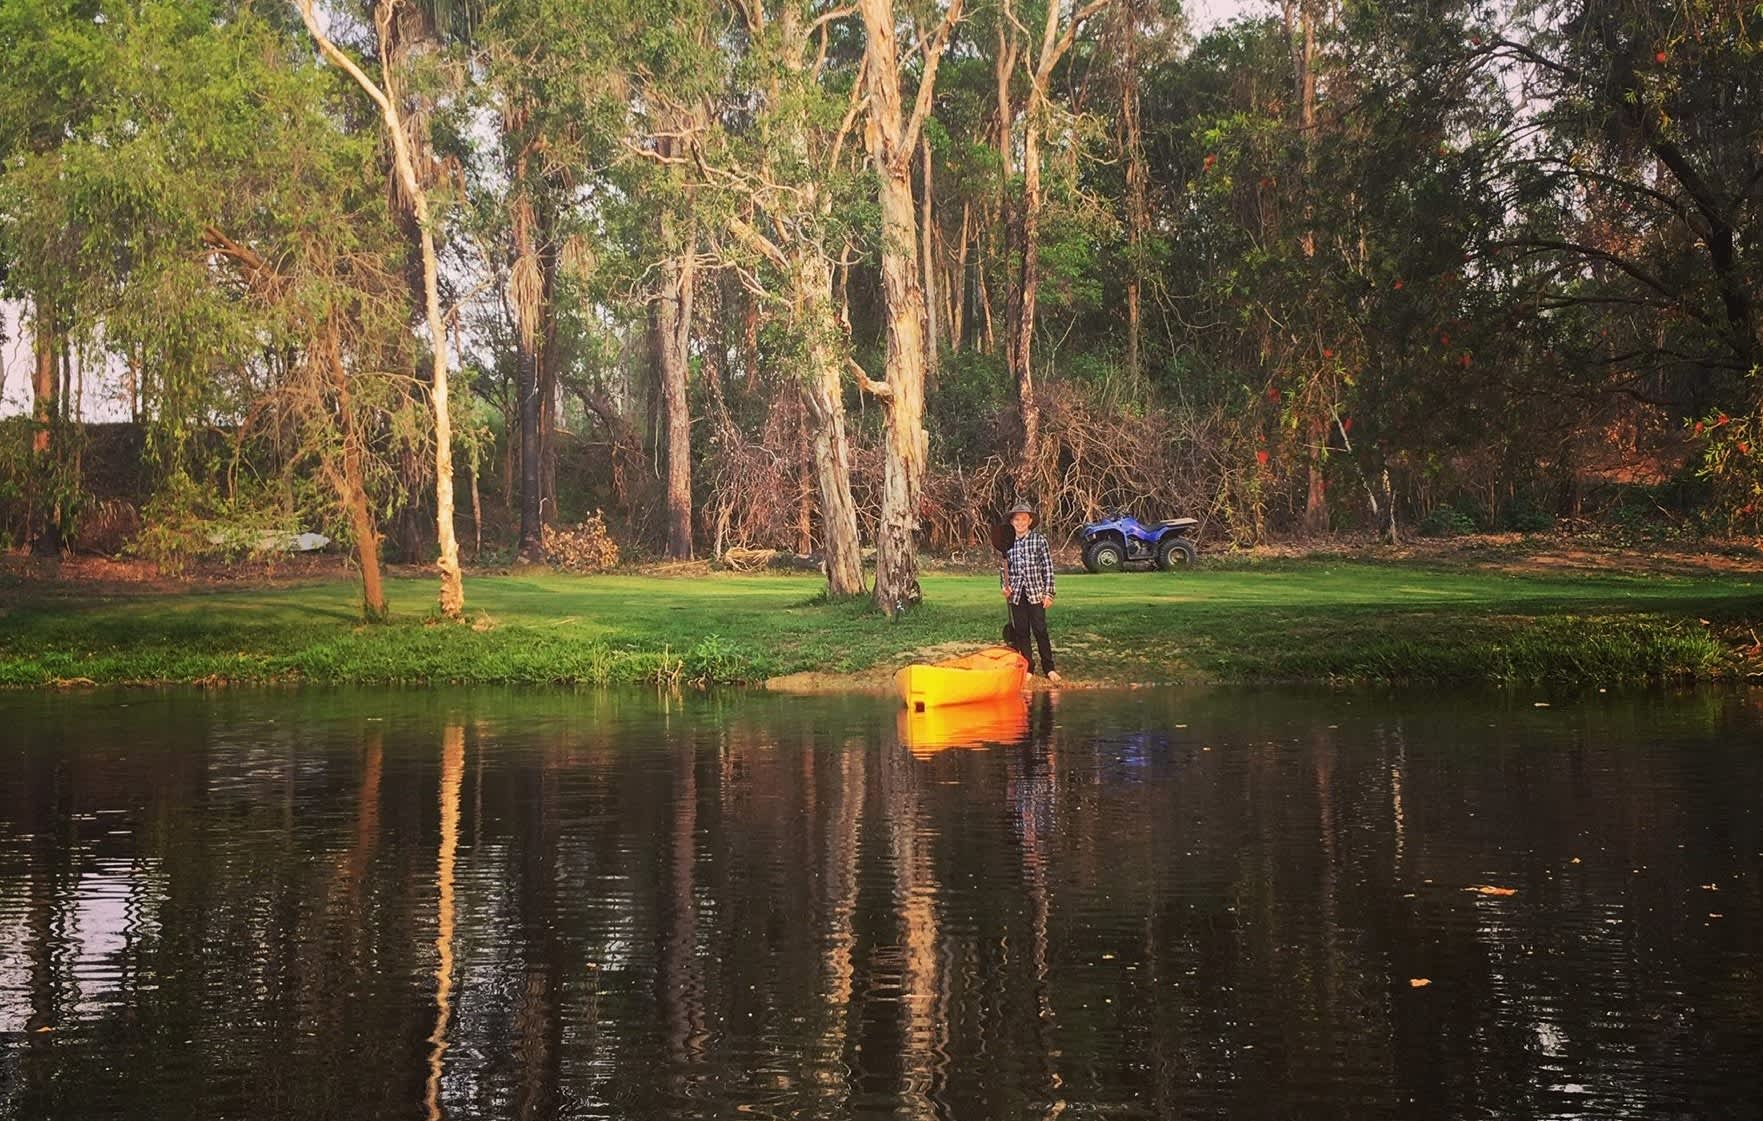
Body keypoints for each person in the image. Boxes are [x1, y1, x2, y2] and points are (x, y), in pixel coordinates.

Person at [999, 500, 1061, 682]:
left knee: (1040, 630)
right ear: (1012, 523)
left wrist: (1049, 593)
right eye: (1016, 520)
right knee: (1021, 632)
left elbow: (1047, 568)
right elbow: (1004, 569)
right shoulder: (1007, 544)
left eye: (1023, 519)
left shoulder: (1039, 541)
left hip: (1036, 593)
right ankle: (1028, 668)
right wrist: (1004, 586)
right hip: (1017, 594)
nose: (1020, 523)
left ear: (1030, 521)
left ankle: (1049, 668)